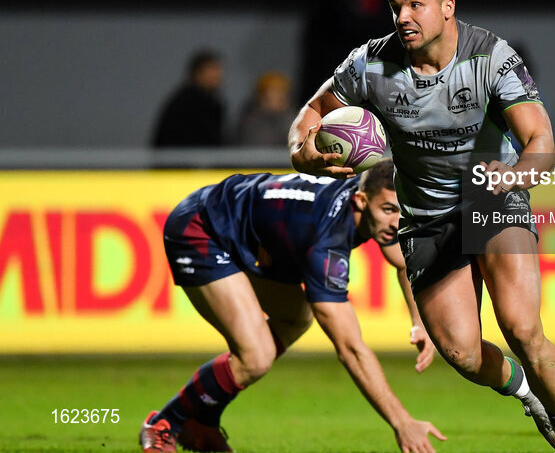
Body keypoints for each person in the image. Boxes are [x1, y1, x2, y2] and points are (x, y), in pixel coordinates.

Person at [289, 0, 555, 452]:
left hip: (492, 199)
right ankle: (525, 391)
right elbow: (311, 114)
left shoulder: (491, 57)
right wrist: (304, 155)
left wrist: (516, 175)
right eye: (394, 6)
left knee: (521, 326)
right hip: (426, 219)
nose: (402, 16)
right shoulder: (370, 64)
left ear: (447, 7)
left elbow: (541, 139)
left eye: (415, 4)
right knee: (462, 352)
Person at [139, 160, 444, 453]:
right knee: (255, 358)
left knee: (295, 316)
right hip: (202, 228)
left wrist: (420, 322)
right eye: (388, 210)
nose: (396, 222)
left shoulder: (370, 203)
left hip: (249, 232)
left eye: (400, 212)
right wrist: (402, 422)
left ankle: (202, 422)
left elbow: (405, 262)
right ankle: (165, 422)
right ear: (362, 201)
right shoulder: (325, 241)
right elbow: (350, 349)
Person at [153, 49, 227, 148]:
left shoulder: (205, 101)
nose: (218, 75)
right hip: (181, 161)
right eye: (212, 69)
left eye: (218, 69)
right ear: (197, 73)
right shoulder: (188, 102)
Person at [234, 71, 295, 146]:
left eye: (281, 97)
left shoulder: (293, 121)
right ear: (261, 98)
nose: (275, 101)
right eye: (270, 97)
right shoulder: (250, 121)